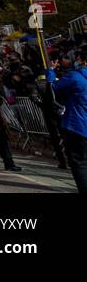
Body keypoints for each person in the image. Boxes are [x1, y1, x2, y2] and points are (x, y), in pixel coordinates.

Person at [46, 51, 86, 193]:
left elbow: (53, 89)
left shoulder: (75, 76)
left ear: (82, 60)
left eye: (78, 59)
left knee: (78, 162)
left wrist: (50, 72)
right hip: (78, 122)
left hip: (77, 125)